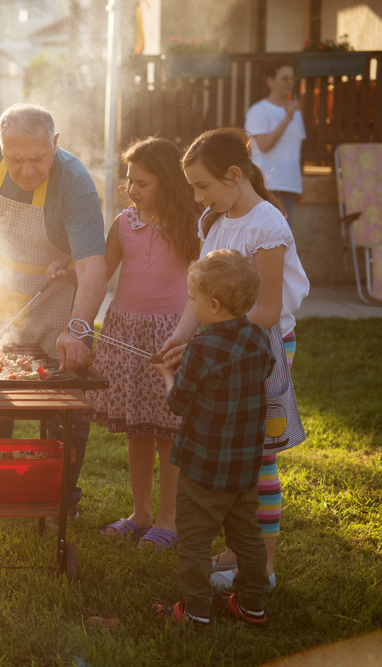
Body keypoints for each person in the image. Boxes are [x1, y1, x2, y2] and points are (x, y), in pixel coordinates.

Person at [163, 127, 309, 590]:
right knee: (229, 448)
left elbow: (265, 311)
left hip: (262, 348)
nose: (198, 196)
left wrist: (209, 344)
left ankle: (262, 566)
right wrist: (179, 338)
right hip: (227, 344)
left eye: (203, 185)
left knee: (258, 457)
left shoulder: (267, 225)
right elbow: (200, 295)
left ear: (233, 174)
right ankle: (235, 551)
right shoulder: (218, 222)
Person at [0, 102, 107, 511]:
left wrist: (78, 329)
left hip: (55, 300)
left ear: (54, 144)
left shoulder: (75, 184)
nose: (25, 169)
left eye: (37, 159)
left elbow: (94, 266)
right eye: (14, 158)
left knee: (62, 404)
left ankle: (60, 495)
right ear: (0, 146)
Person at [152, 249, 275, 627]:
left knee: (193, 539)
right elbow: (266, 368)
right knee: (247, 537)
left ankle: (194, 611)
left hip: (203, 466)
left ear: (215, 305)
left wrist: (166, 374)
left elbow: (178, 404)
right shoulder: (258, 337)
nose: (190, 304)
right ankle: (252, 604)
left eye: (193, 299)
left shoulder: (202, 348)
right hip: (244, 466)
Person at [89, 138, 202, 550]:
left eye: (143, 183)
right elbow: (100, 271)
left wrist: (188, 335)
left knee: (168, 429)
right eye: (130, 181)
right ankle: (140, 513)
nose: (133, 190)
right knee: (137, 427)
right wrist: (70, 273)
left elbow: (201, 284)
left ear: (168, 183)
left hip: (169, 336)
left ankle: (169, 520)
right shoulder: (124, 223)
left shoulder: (191, 226)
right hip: (126, 332)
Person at [245, 60, 305, 222]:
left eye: (292, 78)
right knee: (266, 234)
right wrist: (287, 119)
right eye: (285, 78)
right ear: (270, 81)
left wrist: (298, 184)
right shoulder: (259, 110)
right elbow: (264, 146)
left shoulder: (295, 112)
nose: (290, 82)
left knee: (284, 236)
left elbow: (294, 151)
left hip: (289, 185)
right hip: (267, 185)